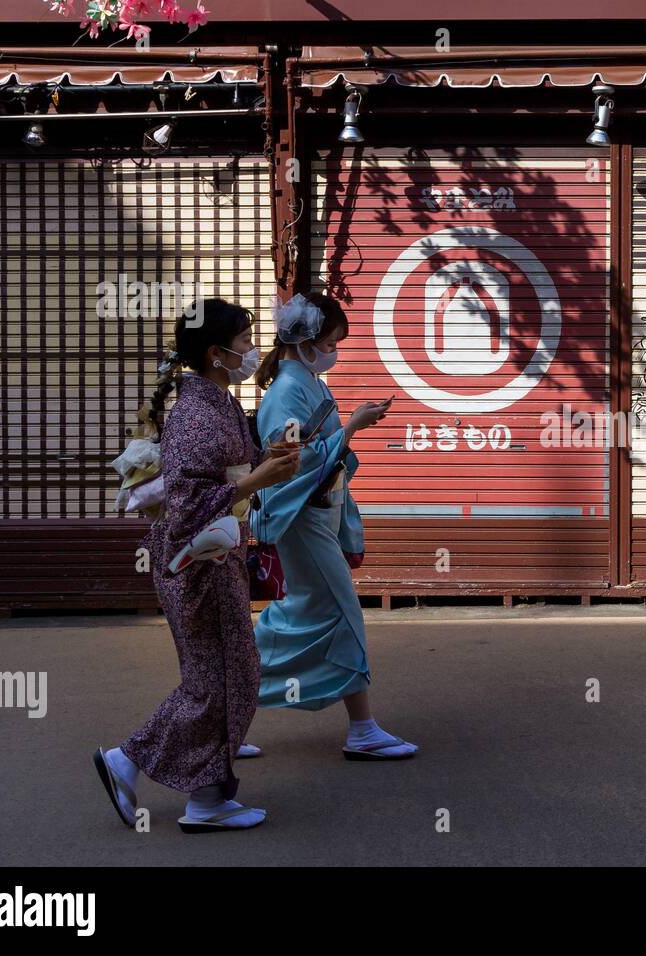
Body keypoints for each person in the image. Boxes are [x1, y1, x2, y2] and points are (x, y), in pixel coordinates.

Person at [94, 299, 300, 833]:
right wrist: (256, 480)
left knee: (223, 677)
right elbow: (188, 502)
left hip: (218, 556)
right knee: (219, 680)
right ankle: (156, 773)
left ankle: (196, 789)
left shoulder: (217, 402)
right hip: (198, 564)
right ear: (217, 353)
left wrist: (265, 457)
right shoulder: (196, 411)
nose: (253, 351)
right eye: (245, 341)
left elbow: (227, 470)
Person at [250, 292, 418, 759]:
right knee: (340, 613)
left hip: (314, 514)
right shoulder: (288, 391)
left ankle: (226, 701)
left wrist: (350, 429)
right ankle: (361, 729)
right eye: (331, 341)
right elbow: (288, 464)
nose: (334, 350)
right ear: (305, 343)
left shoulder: (304, 382)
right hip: (303, 520)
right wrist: (352, 429)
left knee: (304, 614)